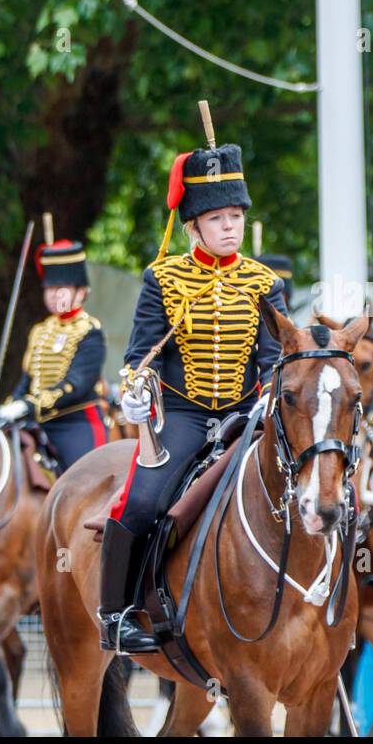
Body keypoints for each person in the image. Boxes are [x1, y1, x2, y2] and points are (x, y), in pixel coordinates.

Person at [100, 141, 288, 653]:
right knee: (139, 502)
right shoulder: (163, 278)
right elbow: (141, 355)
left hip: (247, 415)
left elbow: (275, 359)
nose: (230, 226)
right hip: (183, 417)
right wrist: (134, 394)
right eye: (217, 217)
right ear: (194, 225)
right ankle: (116, 614)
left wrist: (271, 401)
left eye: (236, 216)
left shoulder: (263, 282)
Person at [0, 239, 109, 473]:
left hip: (75, 422)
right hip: (35, 422)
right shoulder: (40, 331)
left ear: (82, 291)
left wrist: (29, 405)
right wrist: (9, 406)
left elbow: (77, 385)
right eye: (50, 289)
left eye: (62, 288)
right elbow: (27, 380)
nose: (55, 295)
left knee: (85, 481)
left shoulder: (90, 332)